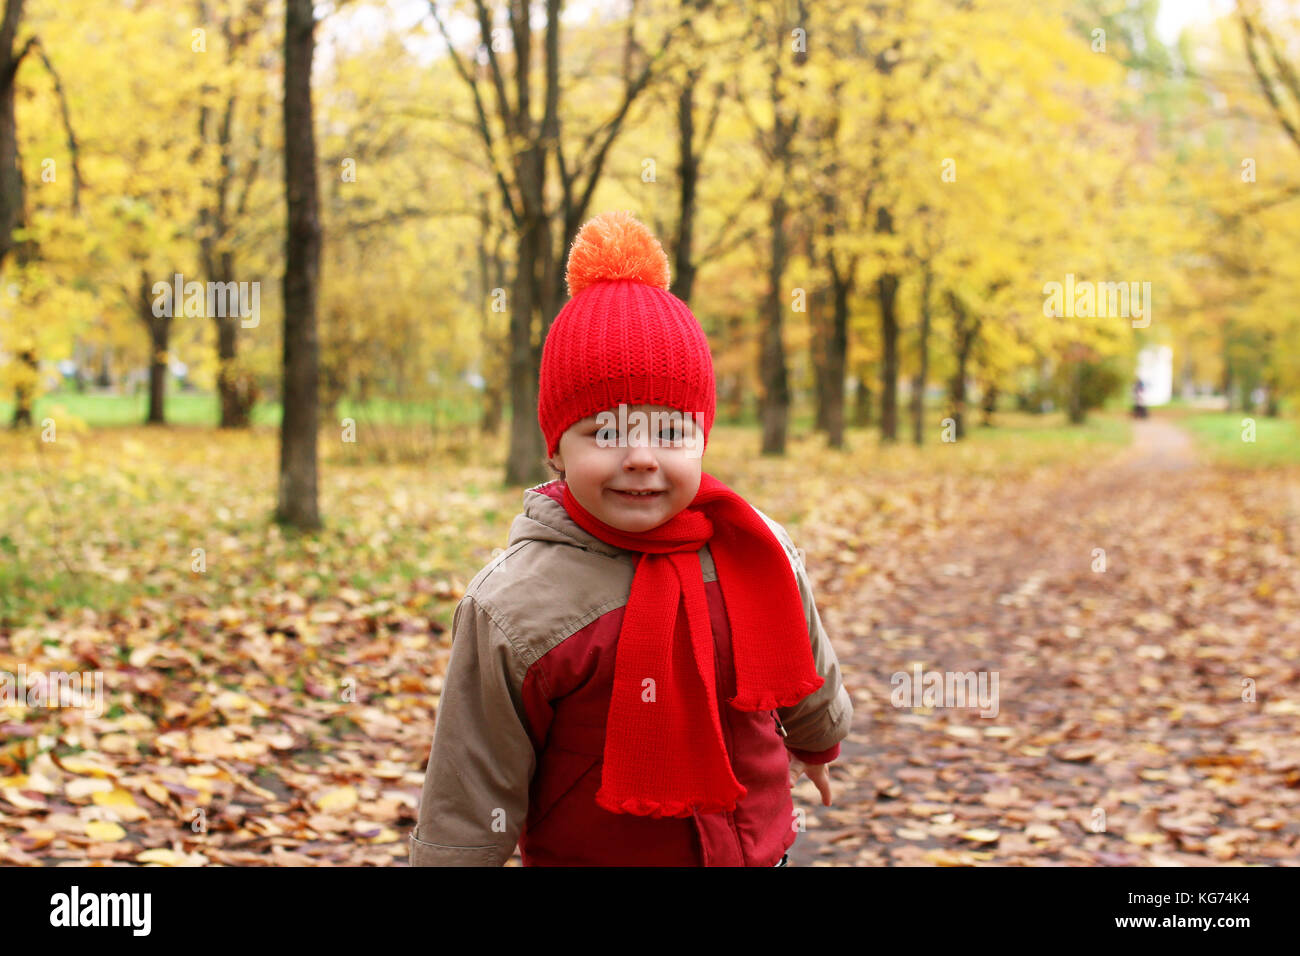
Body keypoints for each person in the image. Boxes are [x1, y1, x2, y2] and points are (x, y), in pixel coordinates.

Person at [409, 210, 853, 867]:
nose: (642, 457)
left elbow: (804, 666)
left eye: (670, 432)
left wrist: (819, 741)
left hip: (755, 850)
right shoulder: (515, 605)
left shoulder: (757, 550)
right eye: (607, 432)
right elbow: (472, 776)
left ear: (702, 438)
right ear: (555, 449)